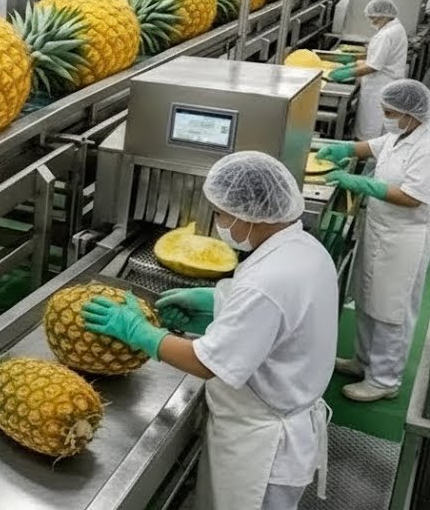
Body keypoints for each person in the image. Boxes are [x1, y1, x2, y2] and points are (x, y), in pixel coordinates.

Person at [81, 151, 336, 510]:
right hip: (272, 417)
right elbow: (276, 322)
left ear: (250, 214)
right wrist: (217, 304)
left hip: (259, 449)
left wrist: (139, 331)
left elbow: (205, 363)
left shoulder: (267, 282)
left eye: (219, 213)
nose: (218, 222)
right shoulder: (304, 248)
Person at [322, 79, 430, 402]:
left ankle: (384, 379)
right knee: (367, 298)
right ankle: (363, 360)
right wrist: (343, 148)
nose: (386, 118)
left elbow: (412, 197)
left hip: (403, 238)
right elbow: (373, 146)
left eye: (390, 113)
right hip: (378, 228)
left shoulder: (426, 146)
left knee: (390, 310)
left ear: (411, 113)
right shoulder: (402, 132)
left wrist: (362, 184)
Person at [329, 0, 407, 140]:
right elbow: (378, 60)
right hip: (387, 81)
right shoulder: (396, 27)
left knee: (371, 126)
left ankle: (367, 149)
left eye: (373, 18)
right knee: (377, 125)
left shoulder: (386, 35)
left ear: (383, 16)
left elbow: (373, 66)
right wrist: (355, 63)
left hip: (379, 86)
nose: (372, 22)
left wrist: (348, 73)